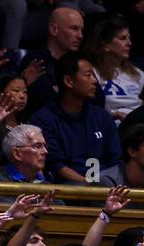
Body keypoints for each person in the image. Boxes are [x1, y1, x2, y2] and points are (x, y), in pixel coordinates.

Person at [31, 53, 122, 185]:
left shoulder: (102, 116)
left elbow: (114, 159)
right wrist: (90, 185)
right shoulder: (43, 120)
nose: (94, 80)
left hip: (106, 184)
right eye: (88, 75)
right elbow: (56, 165)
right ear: (69, 81)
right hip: (67, 188)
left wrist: (104, 184)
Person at [86, 17, 141, 123]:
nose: (129, 43)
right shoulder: (92, 72)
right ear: (105, 45)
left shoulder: (139, 74)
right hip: (110, 127)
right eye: (123, 38)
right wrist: (109, 116)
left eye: (129, 38)